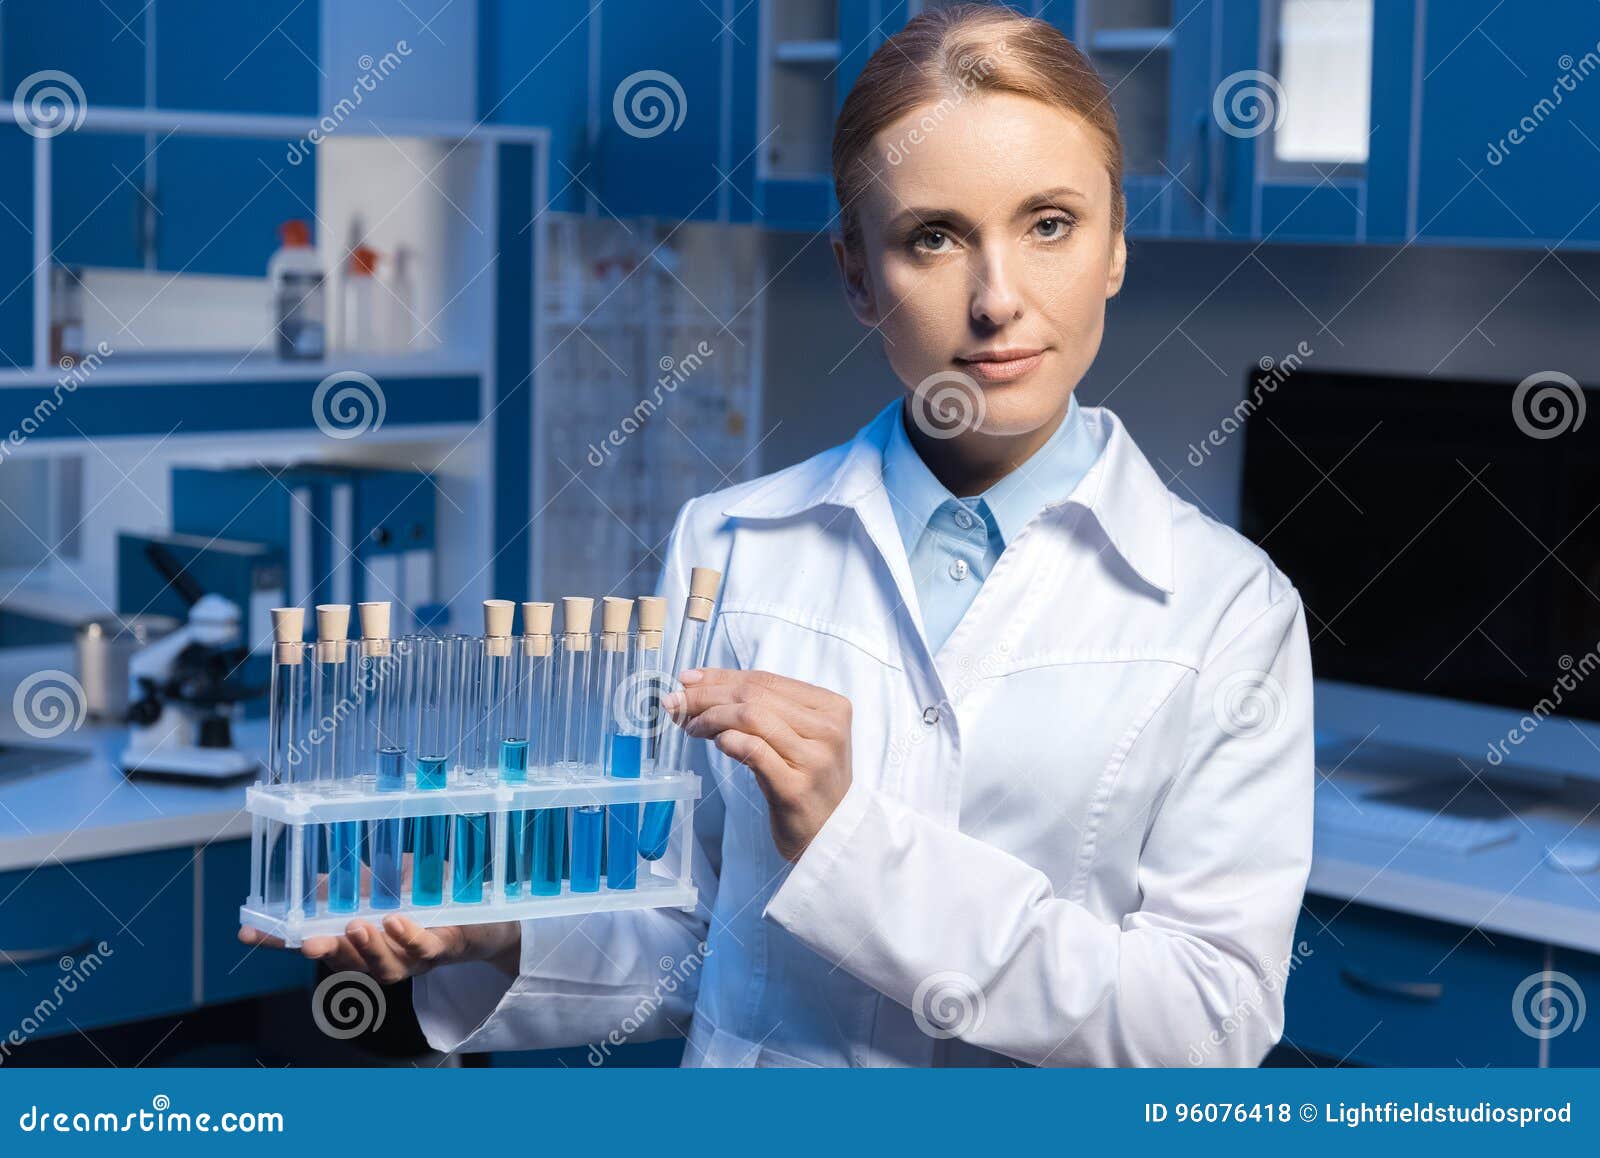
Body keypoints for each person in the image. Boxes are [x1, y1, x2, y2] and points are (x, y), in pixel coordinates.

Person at [241, 4, 1313, 1067]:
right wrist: (499, 934)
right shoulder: (732, 547)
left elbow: (1209, 1024)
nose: (997, 301)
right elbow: (695, 932)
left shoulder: (1228, 610)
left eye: (1049, 225)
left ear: (1115, 244)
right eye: (932, 238)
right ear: (856, 275)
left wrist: (852, 848)